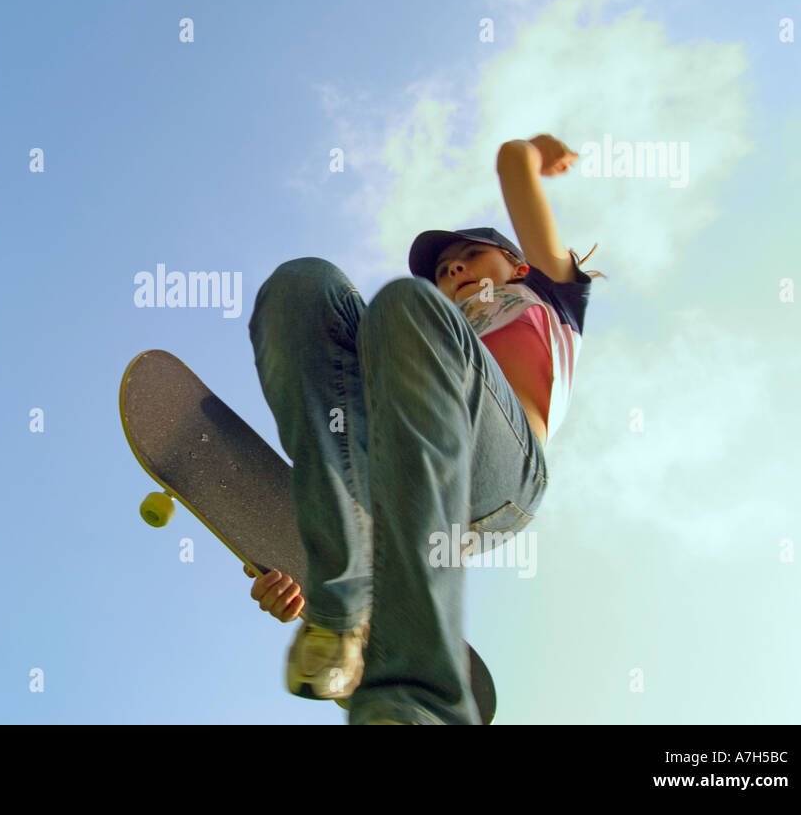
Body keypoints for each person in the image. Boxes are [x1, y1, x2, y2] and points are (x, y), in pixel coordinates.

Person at [244, 134, 604, 724]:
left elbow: (513, 164)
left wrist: (535, 152)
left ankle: (421, 690)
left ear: (517, 264)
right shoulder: (419, 331)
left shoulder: (547, 293)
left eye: (470, 257)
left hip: (500, 477)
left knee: (405, 308)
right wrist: (293, 560)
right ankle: (341, 607)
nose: (454, 268)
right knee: (303, 285)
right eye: (444, 268)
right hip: (397, 483)